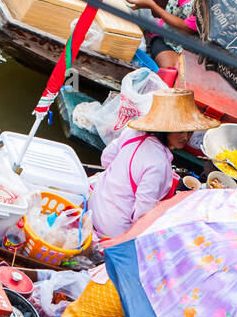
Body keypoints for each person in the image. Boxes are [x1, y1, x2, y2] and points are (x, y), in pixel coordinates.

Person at [89, 89, 214, 241]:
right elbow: (141, 216)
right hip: (114, 231)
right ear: (164, 127)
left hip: (94, 206)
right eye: (180, 130)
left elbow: (106, 159)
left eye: (189, 130)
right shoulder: (159, 164)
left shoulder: (132, 132)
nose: (185, 136)